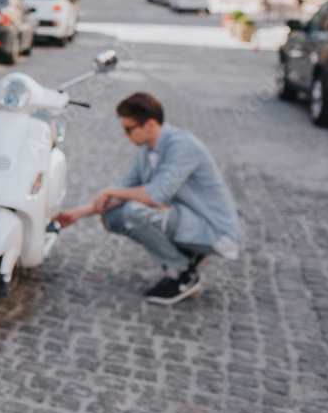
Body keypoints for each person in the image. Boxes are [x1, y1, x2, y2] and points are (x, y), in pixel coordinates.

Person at [53, 92, 242, 306]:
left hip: (214, 230)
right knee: (113, 215)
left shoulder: (183, 146)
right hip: (186, 219)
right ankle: (185, 255)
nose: (125, 135)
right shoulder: (147, 148)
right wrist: (77, 213)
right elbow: (125, 187)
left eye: (128, 129)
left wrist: (109, 192)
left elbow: (154, 196)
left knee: (135, 212)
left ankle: (183, 273)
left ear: (150, 124)